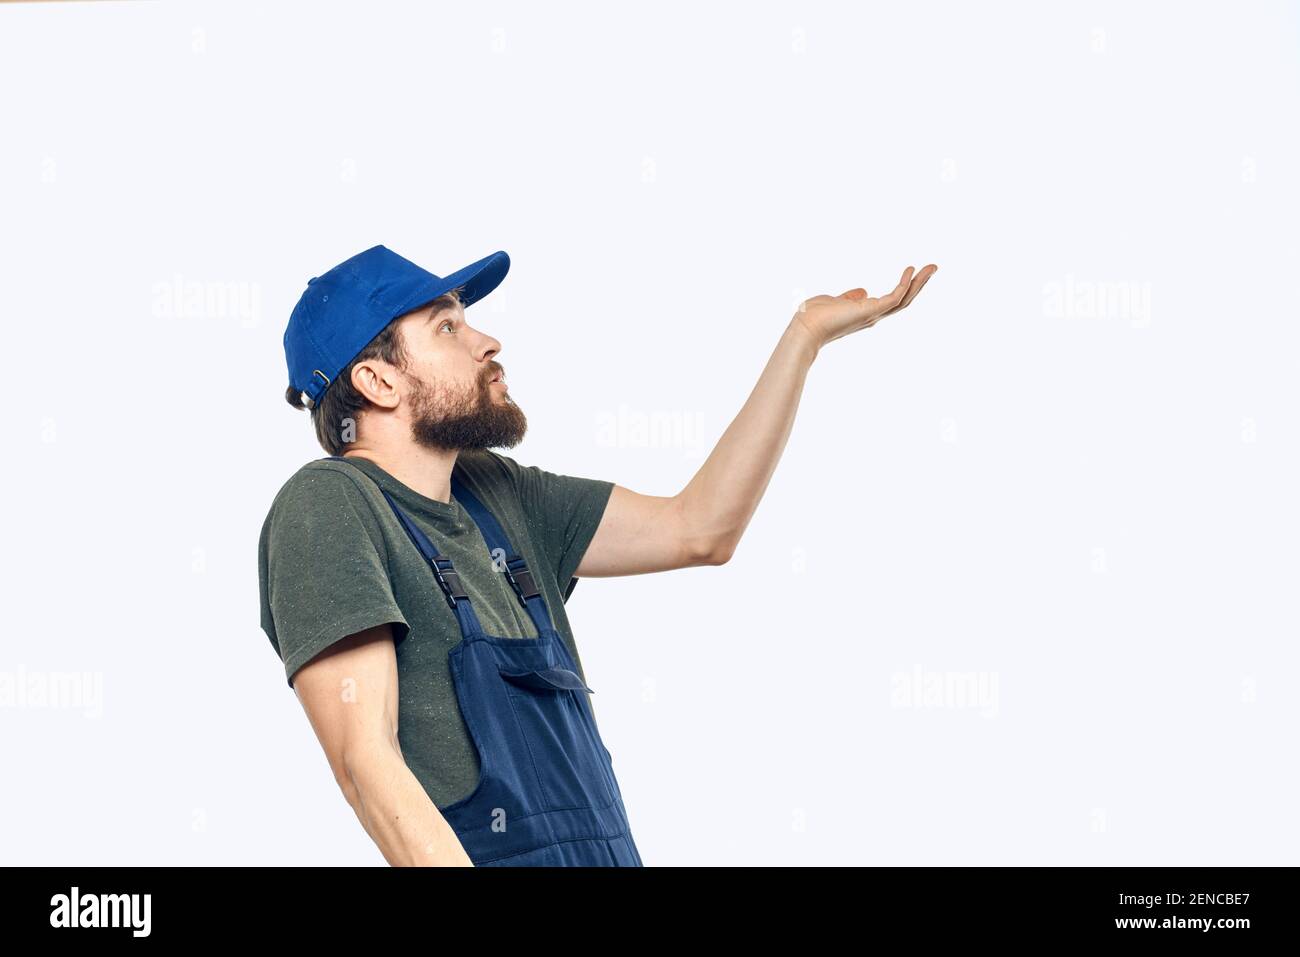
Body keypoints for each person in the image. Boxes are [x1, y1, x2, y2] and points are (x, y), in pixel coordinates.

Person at [257, 244, 937, 866]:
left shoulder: (498, 493)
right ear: (378, 381)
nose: (487, 341)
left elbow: (700, 527)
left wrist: (803, 340)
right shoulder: (330, 506)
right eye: (446, 327)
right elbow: (365, 763)